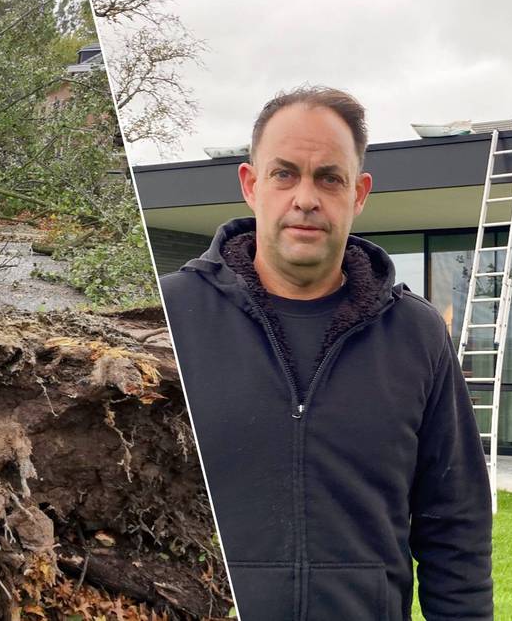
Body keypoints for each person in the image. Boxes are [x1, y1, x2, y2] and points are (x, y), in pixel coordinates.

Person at [159, 86, 492, 620]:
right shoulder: (172, 315)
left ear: (358, 193)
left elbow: (455, 525)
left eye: (329, 178)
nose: (306, 198)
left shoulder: (417, 333)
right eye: (284, 173)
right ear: (251, 185)